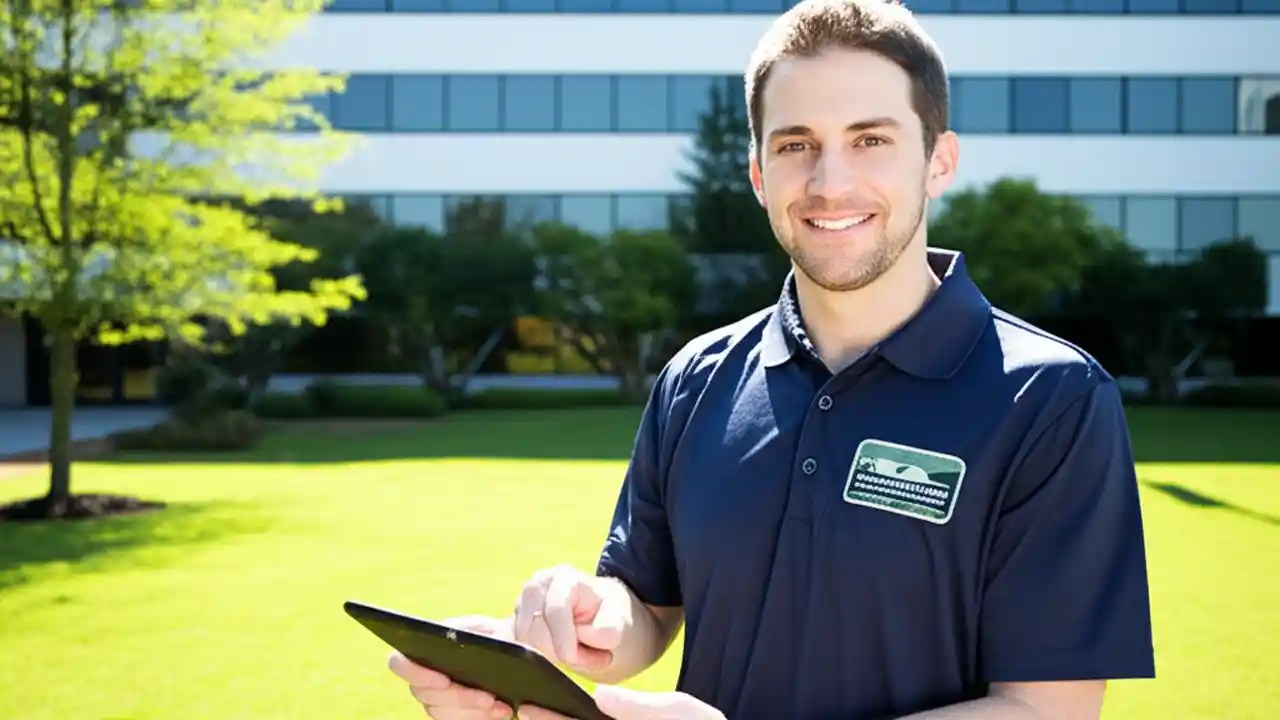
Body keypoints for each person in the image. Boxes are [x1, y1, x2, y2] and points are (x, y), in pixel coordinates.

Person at [387, 0, 1156, 717]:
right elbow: (650, 607)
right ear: (759, 173)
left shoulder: (1053, 400)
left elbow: (1043, 708)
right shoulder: (696, 378)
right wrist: (584, 618)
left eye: (871, 139)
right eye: (796, 146)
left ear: (939, 161)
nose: (830, 182)